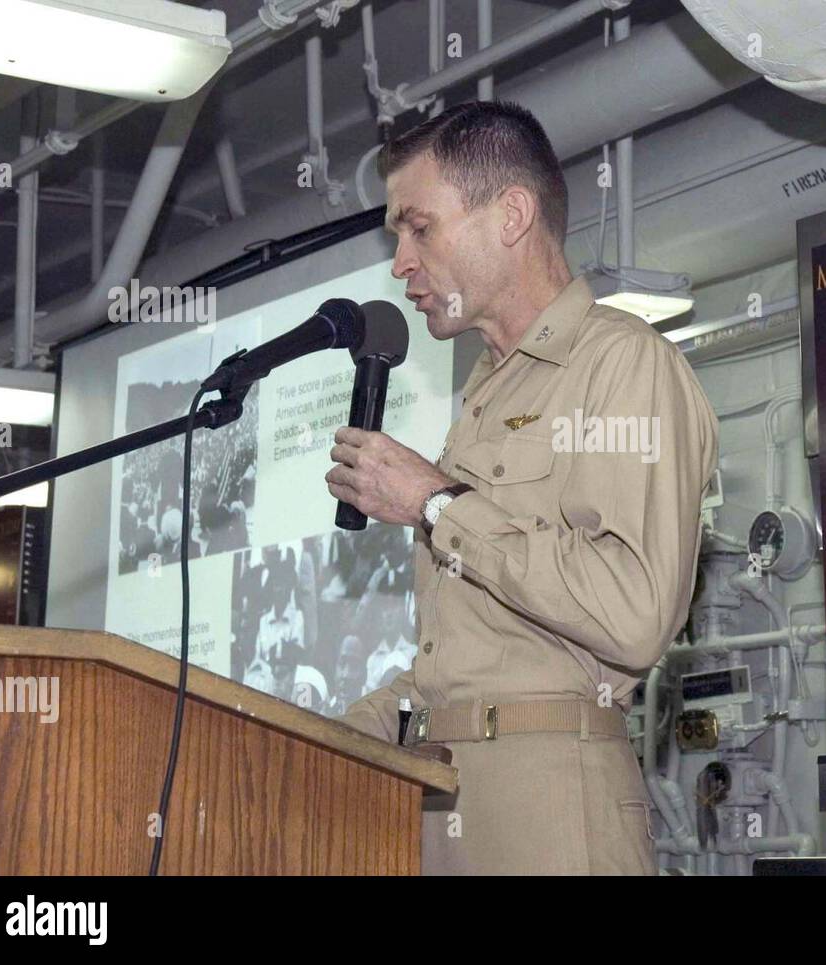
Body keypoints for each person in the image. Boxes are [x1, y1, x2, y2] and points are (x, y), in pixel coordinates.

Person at [326, 100, 718, 874]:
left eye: (418, 227)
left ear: (510, 215)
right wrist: (326, 731)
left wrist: (439, 503)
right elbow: (470, 662)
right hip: (441, 797)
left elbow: (635, 613)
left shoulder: (621, 363)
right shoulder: (485, 397)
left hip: (552, 808)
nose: (401, 261)